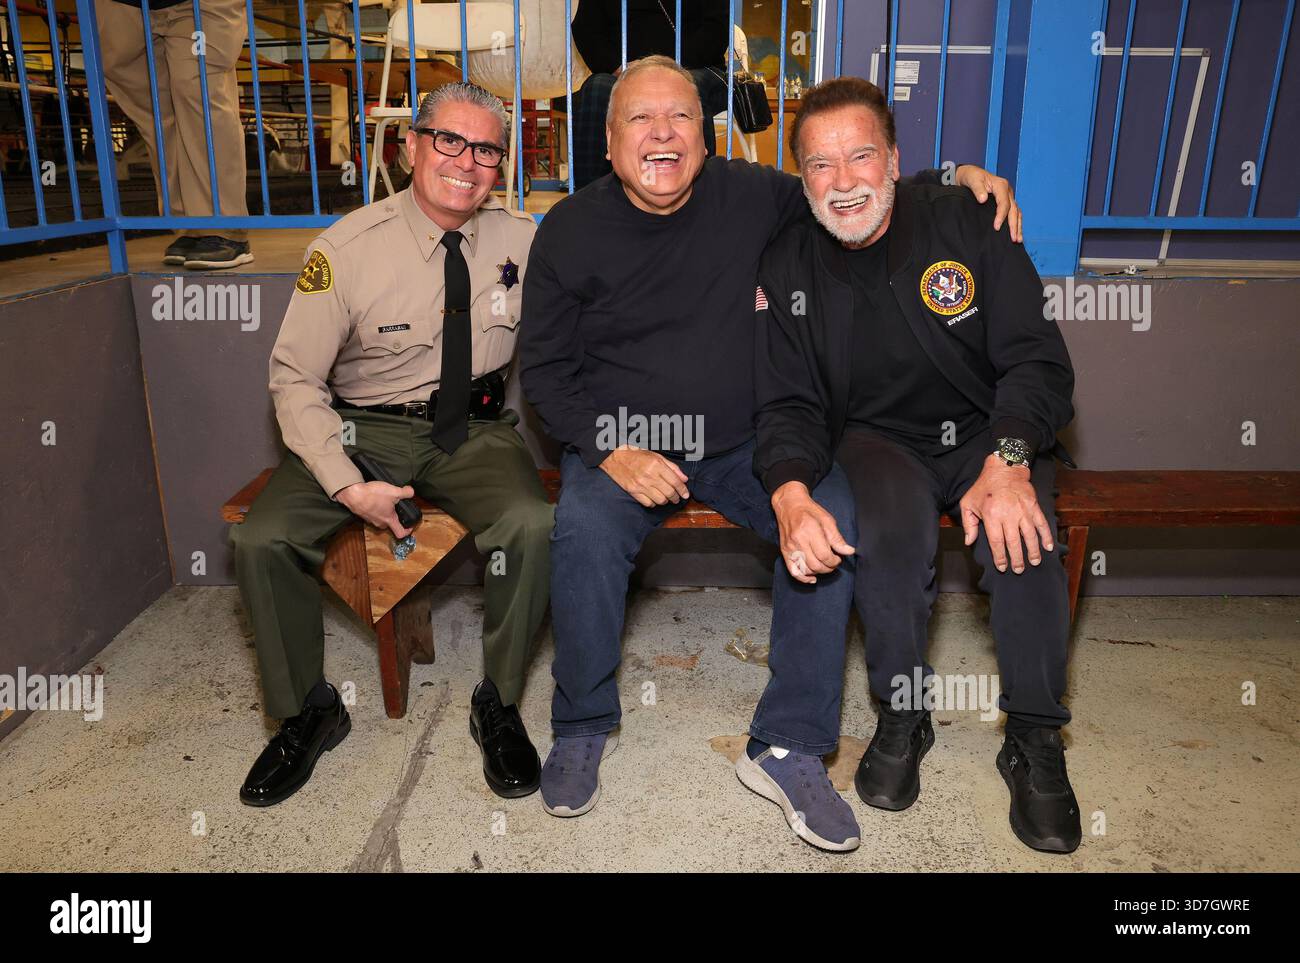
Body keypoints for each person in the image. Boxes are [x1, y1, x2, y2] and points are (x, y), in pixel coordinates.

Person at [519, 55, 1021, 850]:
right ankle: (582, 724)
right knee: (581, 530)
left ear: (706, 134)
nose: (662, 134)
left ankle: (788, 741)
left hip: (749, 436)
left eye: (681, 116)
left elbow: (852, 187)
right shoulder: (568, 231)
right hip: (624, 444)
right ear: (609, 141)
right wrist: (607, 447)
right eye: (640, 120)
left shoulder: (756, 197)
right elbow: (544, 369)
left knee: (832, 519)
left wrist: (955, 175)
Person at [752, 76, 1081, 853]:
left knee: (1025, 536)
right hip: (875, 437)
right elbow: (788, 403)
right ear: (801, 178)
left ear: (895, 161)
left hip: (986, 427)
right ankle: (902, 713)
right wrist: (790, 488)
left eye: (861, 156)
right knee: (891, 536)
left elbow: (1039, 360)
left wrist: (1009, 458)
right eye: (821, 166)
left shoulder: (967, 220)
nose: (844, 182)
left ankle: (1034, 738)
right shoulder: (789, 261)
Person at [231, 83, 552, 806]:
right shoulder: (343, 250)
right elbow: (294, 379)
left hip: (472, 430)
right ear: (410, 144)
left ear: (501, 163)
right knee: (263, 540)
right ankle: (310, 709)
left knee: (533, 525)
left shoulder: (525, 242)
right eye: (449, 140)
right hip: (359, 427)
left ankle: (497, 702)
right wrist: (346, 483)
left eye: (486, 149)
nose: (466, 162)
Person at [95, 0, 253, 269]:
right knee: (156, 113)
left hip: (199, 5)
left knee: (198, 95)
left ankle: (222, 225)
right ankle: (189, 224)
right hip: (121, 5)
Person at [569, 0, 730, 188]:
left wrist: (667, 69)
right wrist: (618, 67)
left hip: (694, 67)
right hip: (623, 72)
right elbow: (586, 29)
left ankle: (701, 194)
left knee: (690, 89)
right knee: (597, 88)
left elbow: (717, 29)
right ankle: (591, 196)